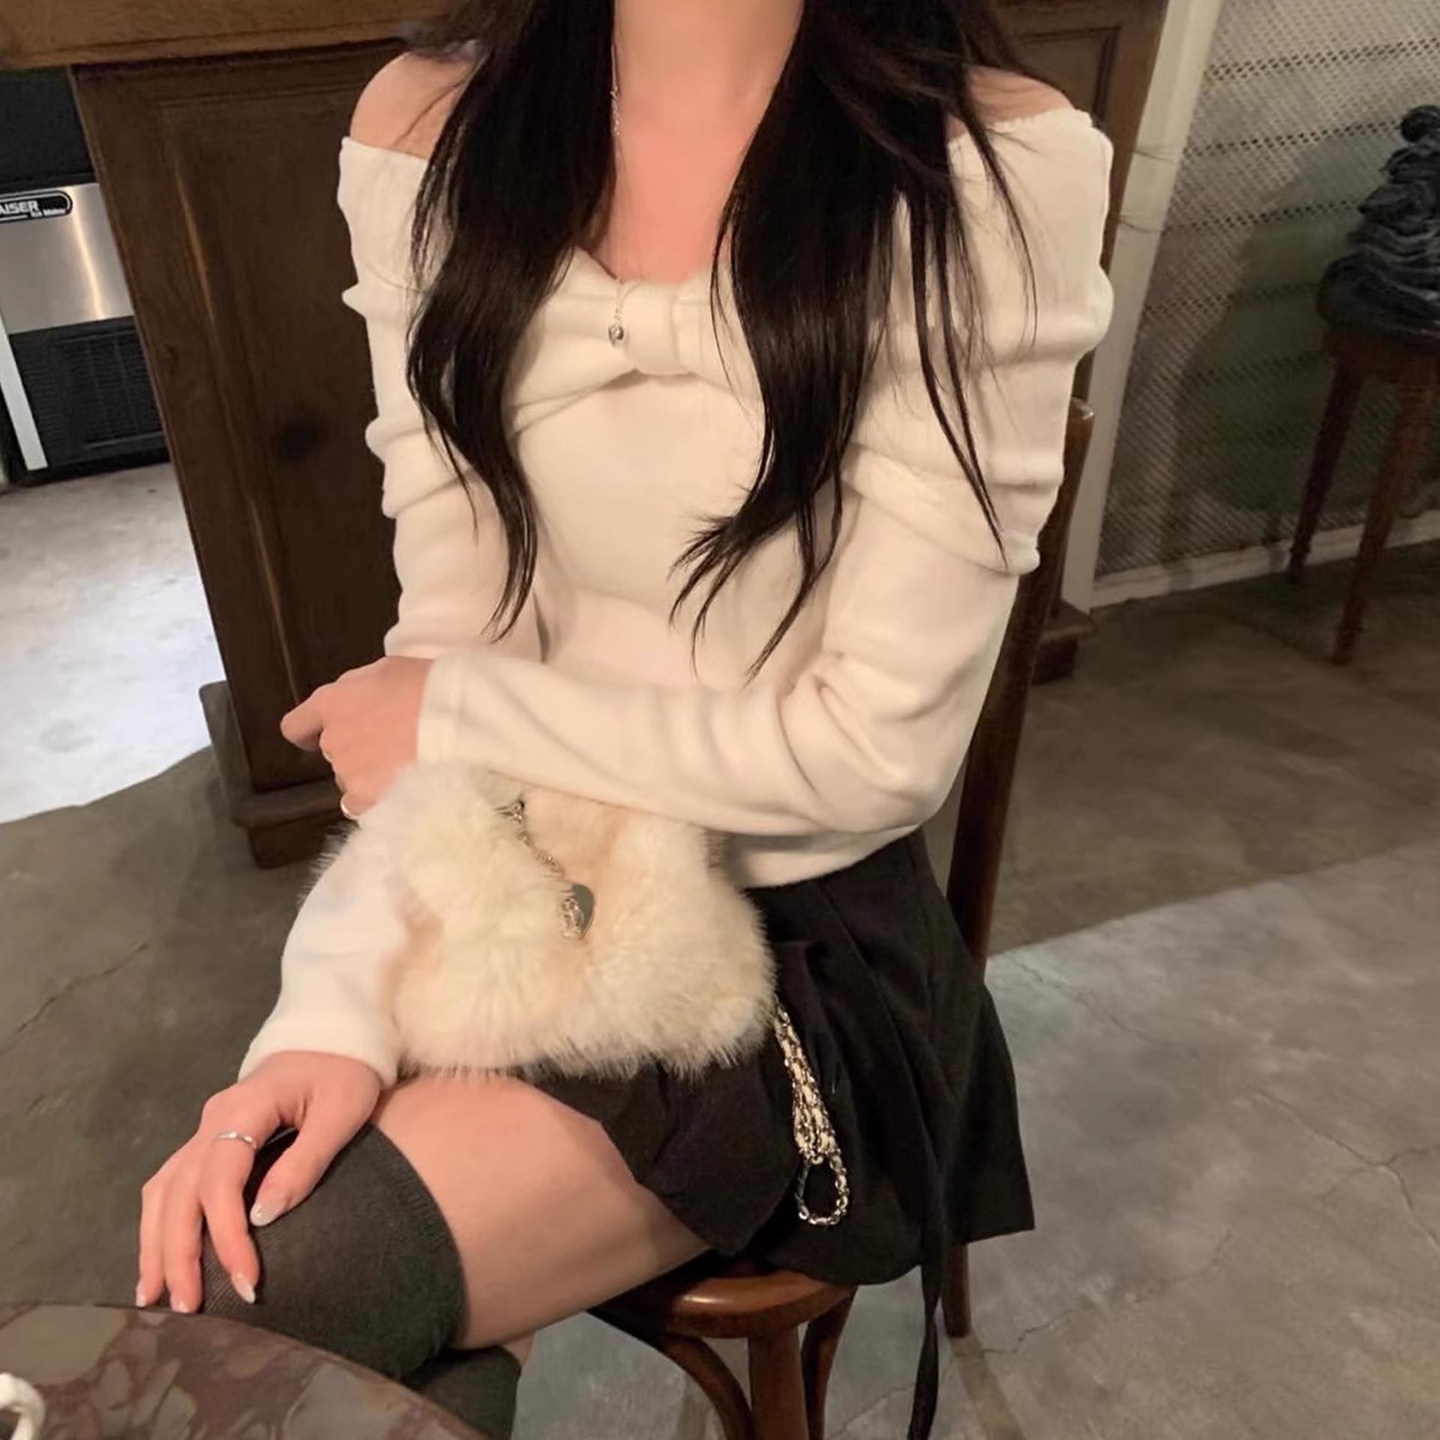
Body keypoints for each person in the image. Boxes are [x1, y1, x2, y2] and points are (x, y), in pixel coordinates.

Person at [136, 2, 1112, 1436]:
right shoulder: (427, 132)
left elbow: (872, 757)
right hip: (516, 875)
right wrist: (326, 1016)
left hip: (792, 945)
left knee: (259, 1322)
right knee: (238, 1318)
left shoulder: (985, 171)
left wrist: (463, 717)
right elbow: (450, 645)